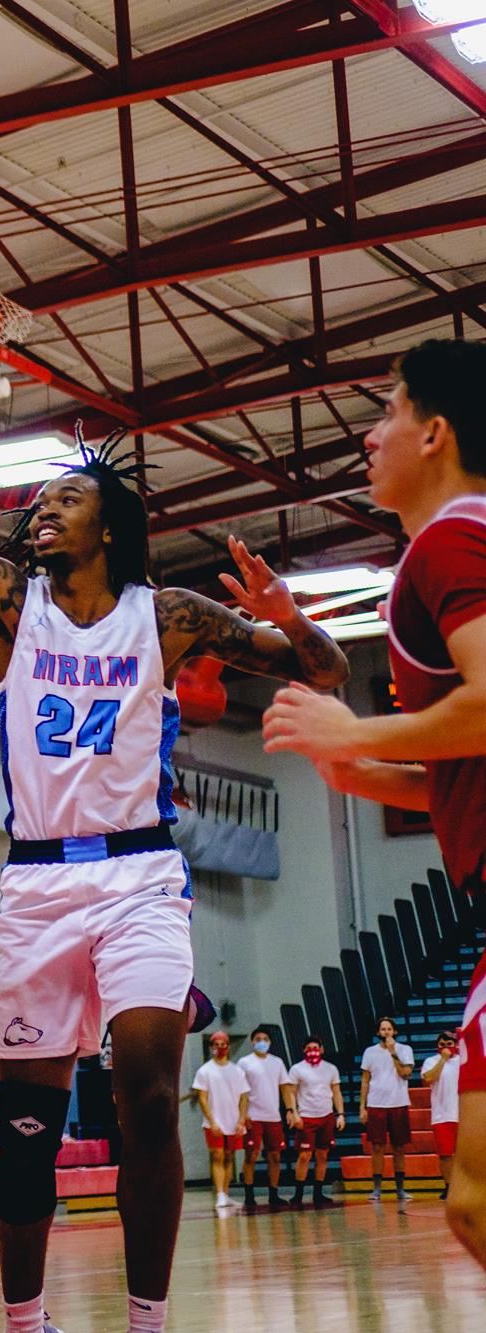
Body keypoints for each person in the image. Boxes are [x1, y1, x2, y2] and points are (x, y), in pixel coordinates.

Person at [0, 284, 349, 1333]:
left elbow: (327, 668)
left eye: (62, 499)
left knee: (140, 1090)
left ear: (110, 525)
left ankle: (144, 1320)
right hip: (36, 879)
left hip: (137, 874)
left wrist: (287, 615)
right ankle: (24, 1321)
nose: (39, 508)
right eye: (36, 499)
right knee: (30, 1128)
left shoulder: (166, 615)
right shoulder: (5, 597)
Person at [260, 339, 486, 1262]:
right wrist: (370, 773)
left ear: (434, 432)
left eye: (387, 409)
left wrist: (356, 733)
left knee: (473, 1198)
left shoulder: (450, 538)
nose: (369, 430)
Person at [186, 1034, 248, 1211]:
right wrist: (212, 1121)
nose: (220, 1047)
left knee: (229, 1157)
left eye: (223, 1044)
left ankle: (226, 1194)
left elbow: (244, 1098)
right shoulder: (205, 1071)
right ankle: (219, 1193)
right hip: (213, 1122)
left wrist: (241, 1120)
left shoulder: (237, 1071)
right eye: (216, 1044)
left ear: (228, 1046)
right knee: (218, 1155)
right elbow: (202, 1098)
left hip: (233, 1121)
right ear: (211, 1047)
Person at [235, 1026, 292, 1211]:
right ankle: (249, 1195)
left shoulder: (277, 1062)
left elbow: (285, 1088)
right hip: (254, 1115)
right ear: (252, 1042)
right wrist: (243, 1115)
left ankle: (273, 1193)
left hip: (273, 1116)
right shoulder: (244, 1063)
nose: (262, 1042)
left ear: (270, 1042)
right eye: (258, 1038)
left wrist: (291, 1110)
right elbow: (238, 1091)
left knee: (275, 1156)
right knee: (251, 1155)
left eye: (265, 1039)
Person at [360, 1017, 416, 1203]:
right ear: (378, 1033)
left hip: (398, 1102)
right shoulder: (370, 1052)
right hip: (376, 1104)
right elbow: (365, 1080)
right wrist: (363, 1107)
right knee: (377, 1146)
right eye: (383, 1029)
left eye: (389, 1029)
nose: (386, 1032)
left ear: (395, 1032)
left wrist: (393, 1053)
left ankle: (400, 1188)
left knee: (399, 1146)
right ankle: (377, 1188)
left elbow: (406, 1073)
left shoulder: (405, 1050)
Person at [286, 1038, 345, 1208]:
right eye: (309, 1048)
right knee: (305, 1156)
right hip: (306, 1116)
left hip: (326, 1116)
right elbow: (291, 1092)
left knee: (322, 1155)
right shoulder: (297, 1069)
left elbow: (336, 1092)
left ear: (322, 1049)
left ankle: (318, 1192)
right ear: (304, 1050)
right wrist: (293, 1112)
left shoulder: (330, 1068)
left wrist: (340, 1114)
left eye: (316, 1048)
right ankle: (298, 1193)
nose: (313, 1051)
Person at [426, 1030, 465, 1196]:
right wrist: (443, 1059)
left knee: (465, 1153)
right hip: (441, 1114)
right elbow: (428, 1078)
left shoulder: (463, 1061)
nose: (446, 1048)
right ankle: (448, 1186)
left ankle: (466, 1185)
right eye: (442, 1045)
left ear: (455, 1045)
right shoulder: (431, 1061)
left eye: (449, 1044)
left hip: (463, 1114)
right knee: (445, 1154)